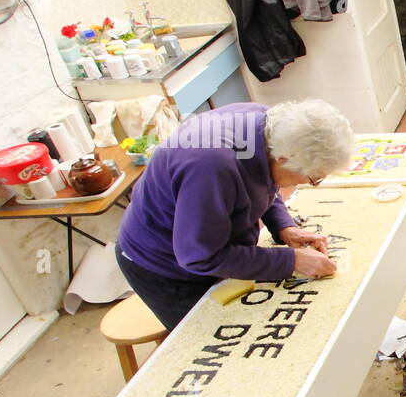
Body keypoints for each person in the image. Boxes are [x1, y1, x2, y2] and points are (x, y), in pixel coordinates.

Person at [115, 100, 354, 329]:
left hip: (204, 243)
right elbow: (200, 257)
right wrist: (291, 260)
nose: (310, 183)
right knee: (213, 346)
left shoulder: (268, 128)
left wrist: (284, 227)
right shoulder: (211, 166)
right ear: (283, 158)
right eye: (312, 178)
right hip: (164, 264)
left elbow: (261, 179)